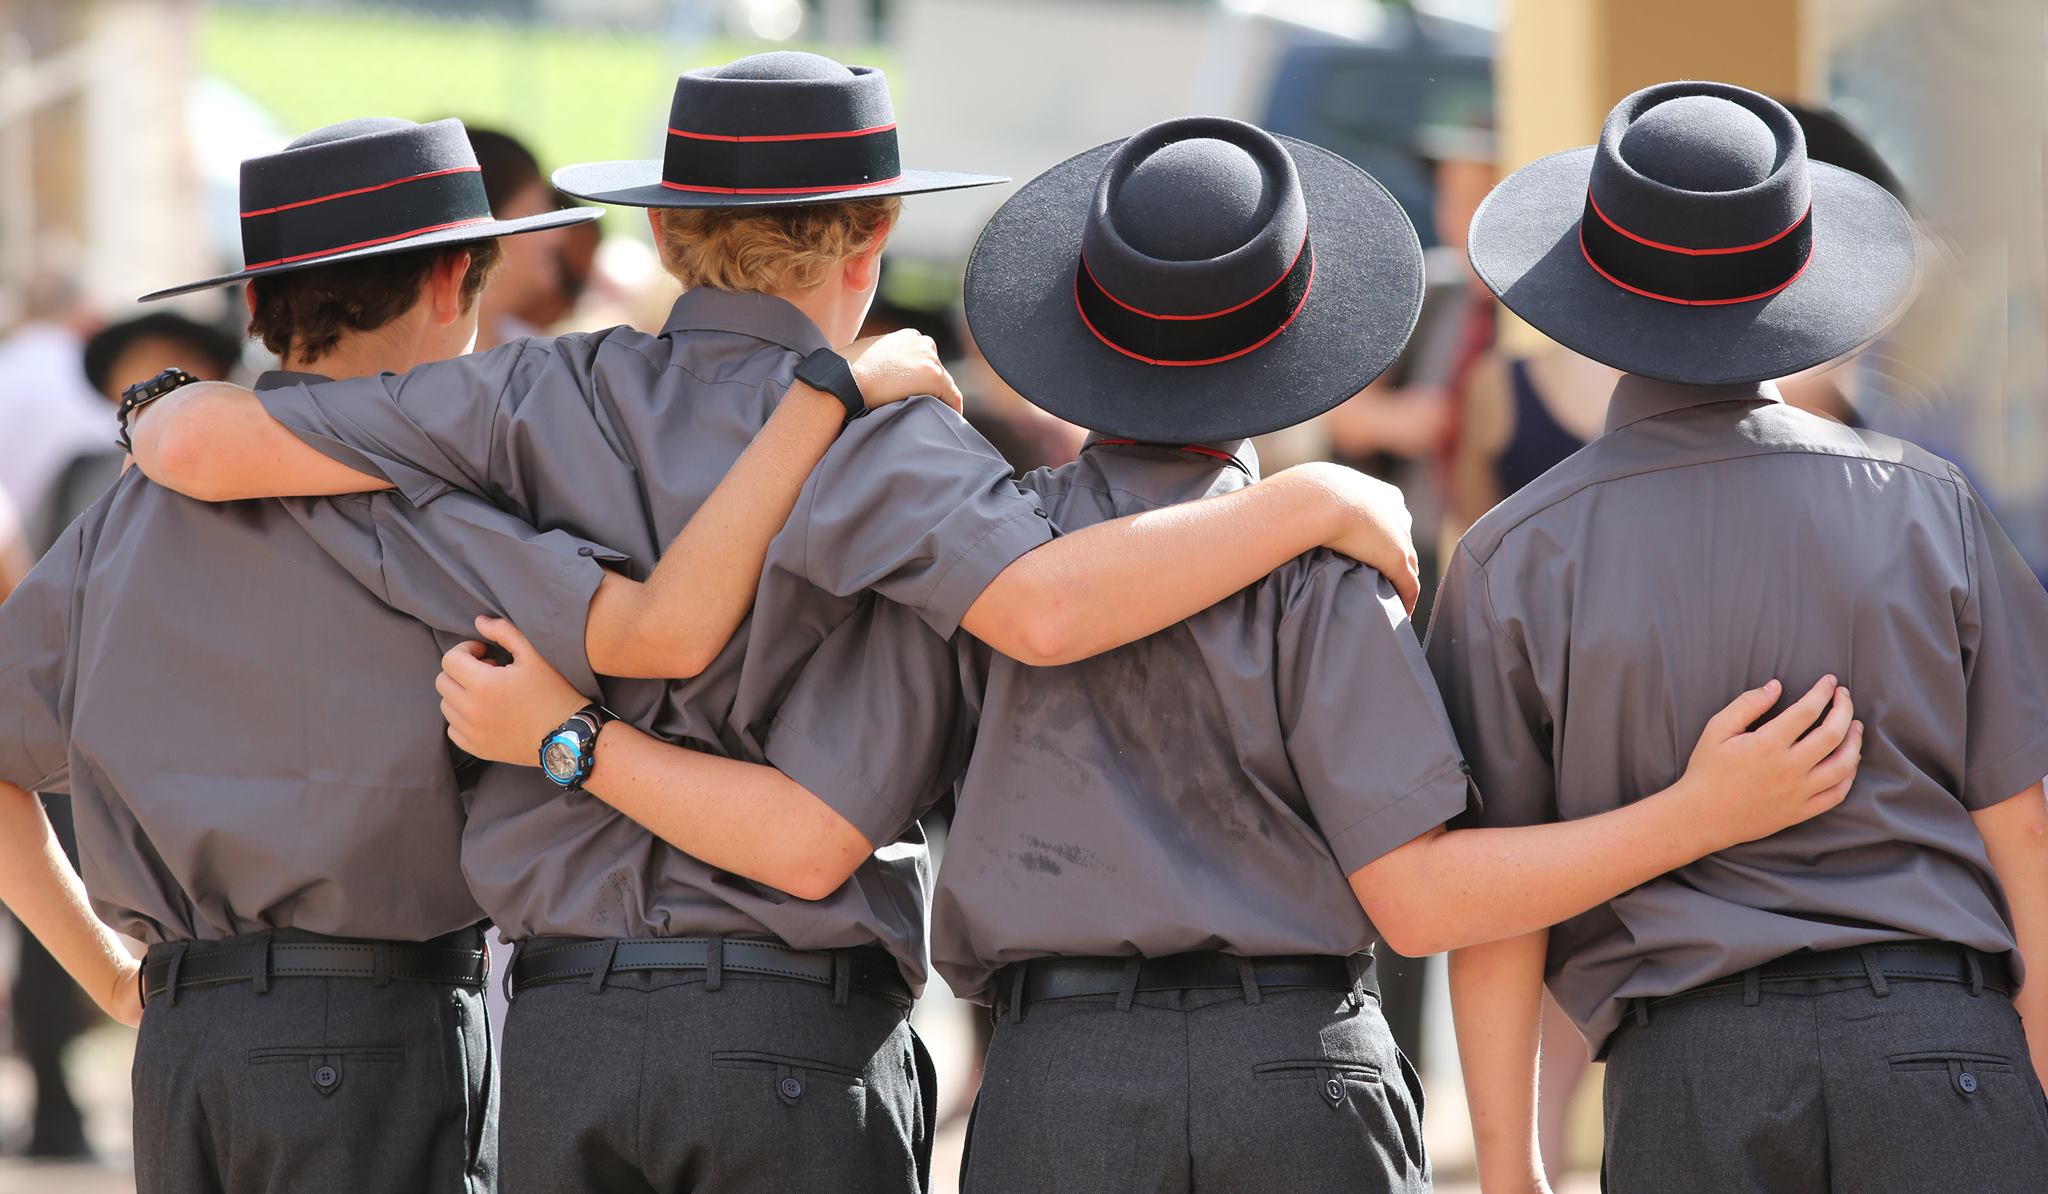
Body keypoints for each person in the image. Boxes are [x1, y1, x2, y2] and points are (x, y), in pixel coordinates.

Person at [438, 115, 1860, 1191]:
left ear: (1081, 319)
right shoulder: (1325, 567)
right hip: (1297, 1074)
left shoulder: (978, 559)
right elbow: (1422, 900)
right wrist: (1692, 818)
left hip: (1056, 1085)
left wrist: (581, 738)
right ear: (1299, 331)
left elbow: (832, 813)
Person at [124, 55, 1424, 1194]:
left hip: (565, 1031)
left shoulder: (530, 389)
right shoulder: (898, 440)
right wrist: (1305, 496)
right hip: (790, 1044)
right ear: (865, 246)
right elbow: (1041, 612)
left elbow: (185, 435)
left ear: (676, 233)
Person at [0, 114, 941, 1194]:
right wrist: (829, 397)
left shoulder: (122, 520)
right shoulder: (425, 516)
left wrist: (116, 979)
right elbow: (662, 632)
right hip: (371, 1036)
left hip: (181, 1051)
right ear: (457, 284)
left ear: (255, 306)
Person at [1436, 81, 2048, 1194]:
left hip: (1690, 1072)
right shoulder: (1931, 504)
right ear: (1795, 279)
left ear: (1590, 284)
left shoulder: (1506, 557)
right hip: (1943, 1053)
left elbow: (1496, 908)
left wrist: (1509, 1171)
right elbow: (2025, 831)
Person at [28, 312, 241, 555]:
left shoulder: (244, 471)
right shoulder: (79, 475)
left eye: (181, 360)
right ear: (111, 384)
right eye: (144, 363)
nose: (162, 381)